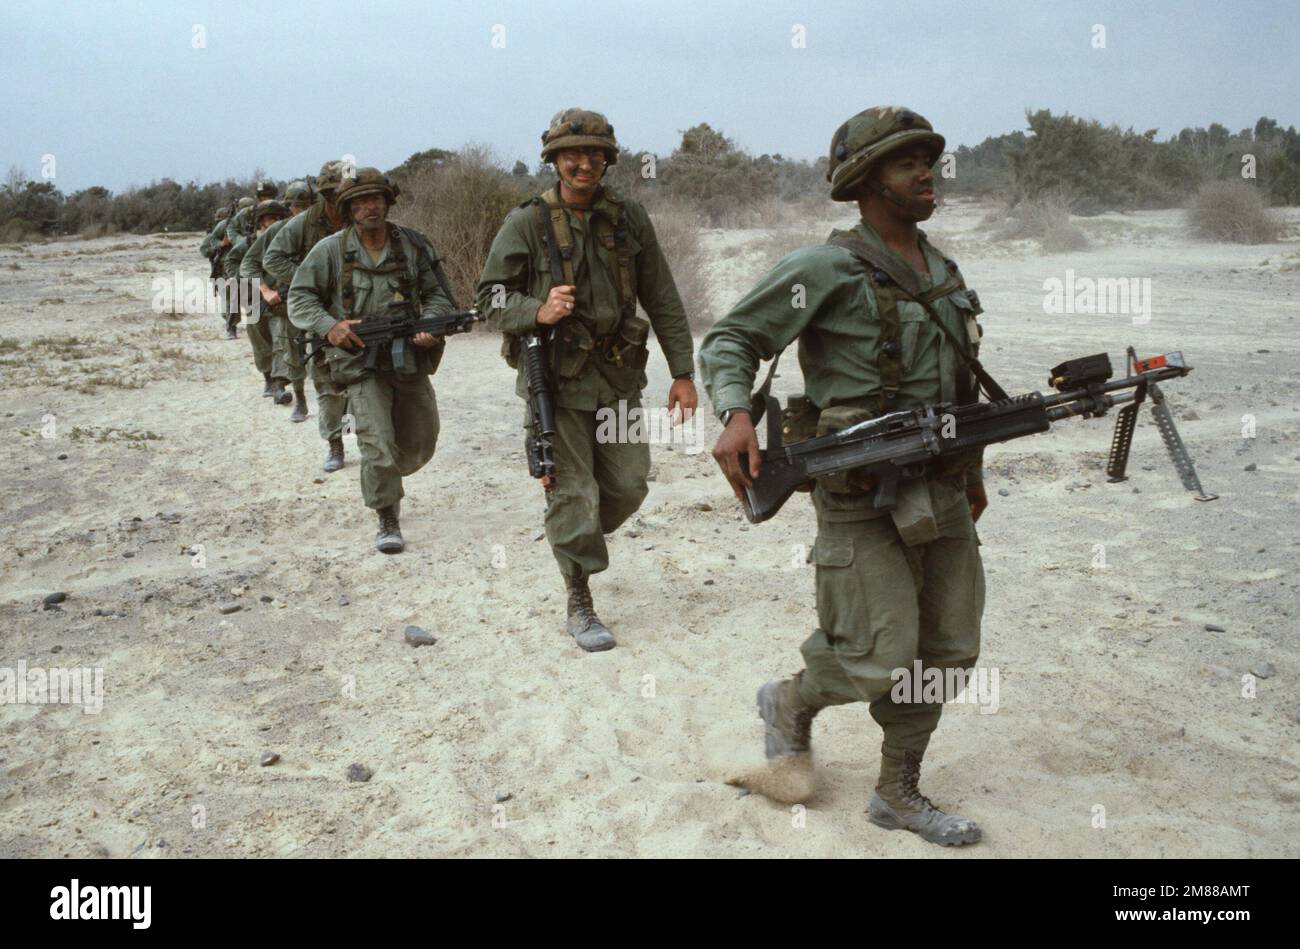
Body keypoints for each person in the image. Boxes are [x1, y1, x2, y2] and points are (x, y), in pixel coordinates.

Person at [699, 106, 989, 846]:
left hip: (942, 488)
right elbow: (734, 335)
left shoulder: (945, 270)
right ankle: (790, 701)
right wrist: (735, 412)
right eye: (904, 163)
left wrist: (974, 469)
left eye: (928, 159)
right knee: (878, 652)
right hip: (860, 496)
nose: (926, 173)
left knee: (949, 646)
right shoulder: (824, 269)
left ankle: (897, 790)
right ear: (864, 182)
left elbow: (958, 388)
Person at [476, 108, 696, 652]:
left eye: (595, 154)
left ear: (607, 160)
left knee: (628, 483)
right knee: (575, 494)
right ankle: (578, 593)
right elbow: (489, 298)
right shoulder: (526, 221)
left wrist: (683, 372)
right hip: (557, 378)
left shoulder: (628, 217)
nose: (584, 163)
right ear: (554, 160)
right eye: (572, 155)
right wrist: (538, 310)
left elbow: (662, 296)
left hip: (618, 374)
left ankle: (572, 530)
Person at [288, 167, 454, 553]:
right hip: (359, 363)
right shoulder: (330, 251)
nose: (370, 207)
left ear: (388, 202)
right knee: (376, 442)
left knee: (421, 438)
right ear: (348, 209)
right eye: (360, 202)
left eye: (376, 199)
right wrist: (330, 327)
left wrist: (432, 324)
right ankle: (386, 513)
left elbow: (439, 295)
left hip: (408, 358)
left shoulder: (413, 245)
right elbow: (300, 298)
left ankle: (387, 475)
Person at [266, 162, 350, 471]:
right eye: (331, 193)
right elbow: (272, 258)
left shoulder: (365, 218)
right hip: (319, 309)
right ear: (323, 194)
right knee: (326, 377)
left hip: (362, 309)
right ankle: (335, 443)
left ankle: (365, 435)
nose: (338, 199)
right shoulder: (303, 224)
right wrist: (308, 278)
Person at [241, 181, 314, 419]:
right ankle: (298, 399)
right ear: (289, 207)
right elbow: (247, 263)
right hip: (287, 297)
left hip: (322, 296)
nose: (301, 212)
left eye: (306, 206)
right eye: (296, 207)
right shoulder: (279, 230)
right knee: (288, 347)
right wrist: (263, 289)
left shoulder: (324, 230)